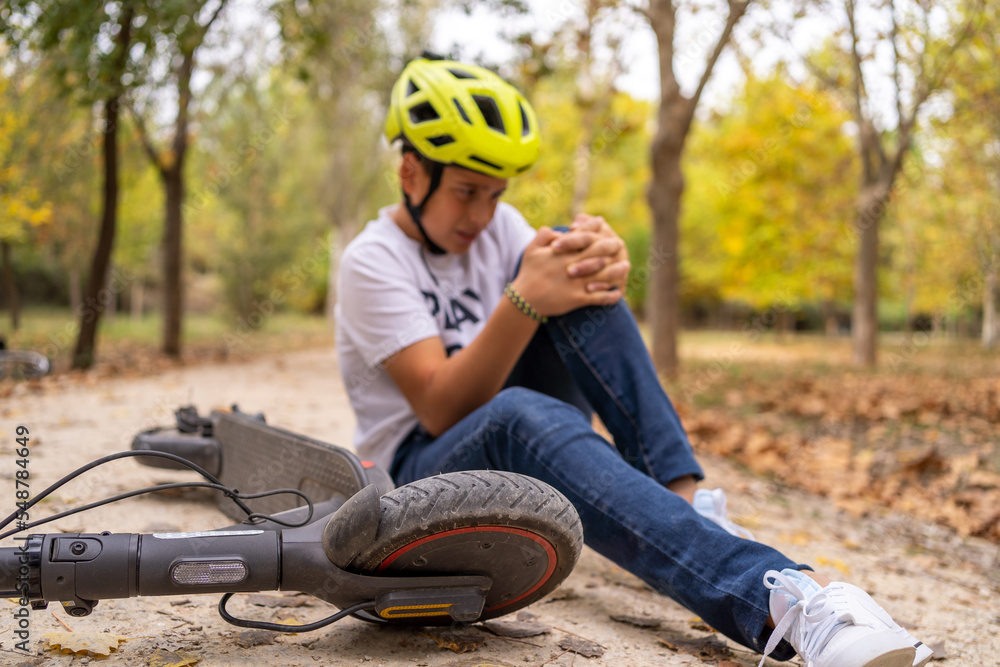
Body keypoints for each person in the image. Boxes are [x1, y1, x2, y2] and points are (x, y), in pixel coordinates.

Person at [334, 54, 931, 667]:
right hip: (417, 476)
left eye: (495, 194)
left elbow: (560, 293)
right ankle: (783, 601)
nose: (484, 215)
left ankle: (686, 505)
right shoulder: (371, 260)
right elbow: (439, 408)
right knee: (519, 410)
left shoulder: (499, 229)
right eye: (466, 193)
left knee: (575, 264)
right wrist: (524, 300)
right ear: (411, 172)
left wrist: (600, 262)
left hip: (512, 432)